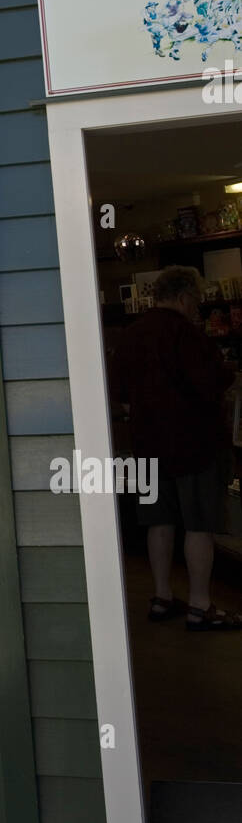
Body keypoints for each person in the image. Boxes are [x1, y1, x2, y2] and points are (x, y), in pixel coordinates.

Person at [110, 265, 242, 630]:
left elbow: (120, 396)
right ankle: (200, 605)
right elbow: (212, 382)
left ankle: (162, 596)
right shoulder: (188, 335)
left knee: (158, 522)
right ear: (184, 297)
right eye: (196, 299)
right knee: (199, 525)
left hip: (147, 445)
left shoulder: (132, 335)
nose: (197, 306)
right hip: (195, 445)